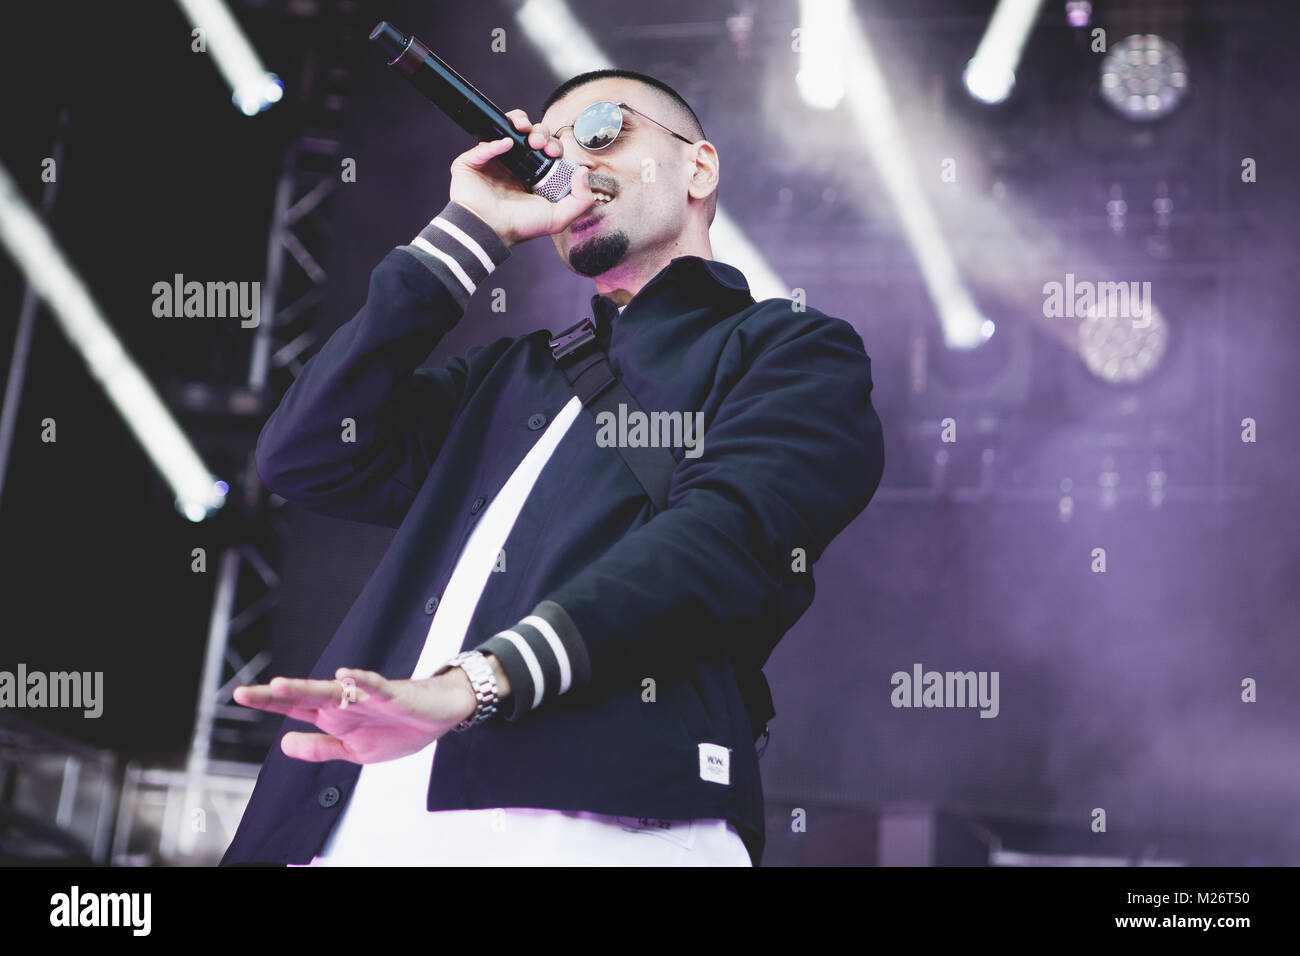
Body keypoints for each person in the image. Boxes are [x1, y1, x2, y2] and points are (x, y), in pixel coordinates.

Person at [220, 69, 884, 867]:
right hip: (348, 818)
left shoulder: (791, 349)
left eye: (603, 130)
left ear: (698, 168)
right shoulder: (509, 375)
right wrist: (473, 229)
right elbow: (307, 454)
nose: (571, 162)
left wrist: (478, 682)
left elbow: (727, 539)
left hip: (599, 822)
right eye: (550, 149)